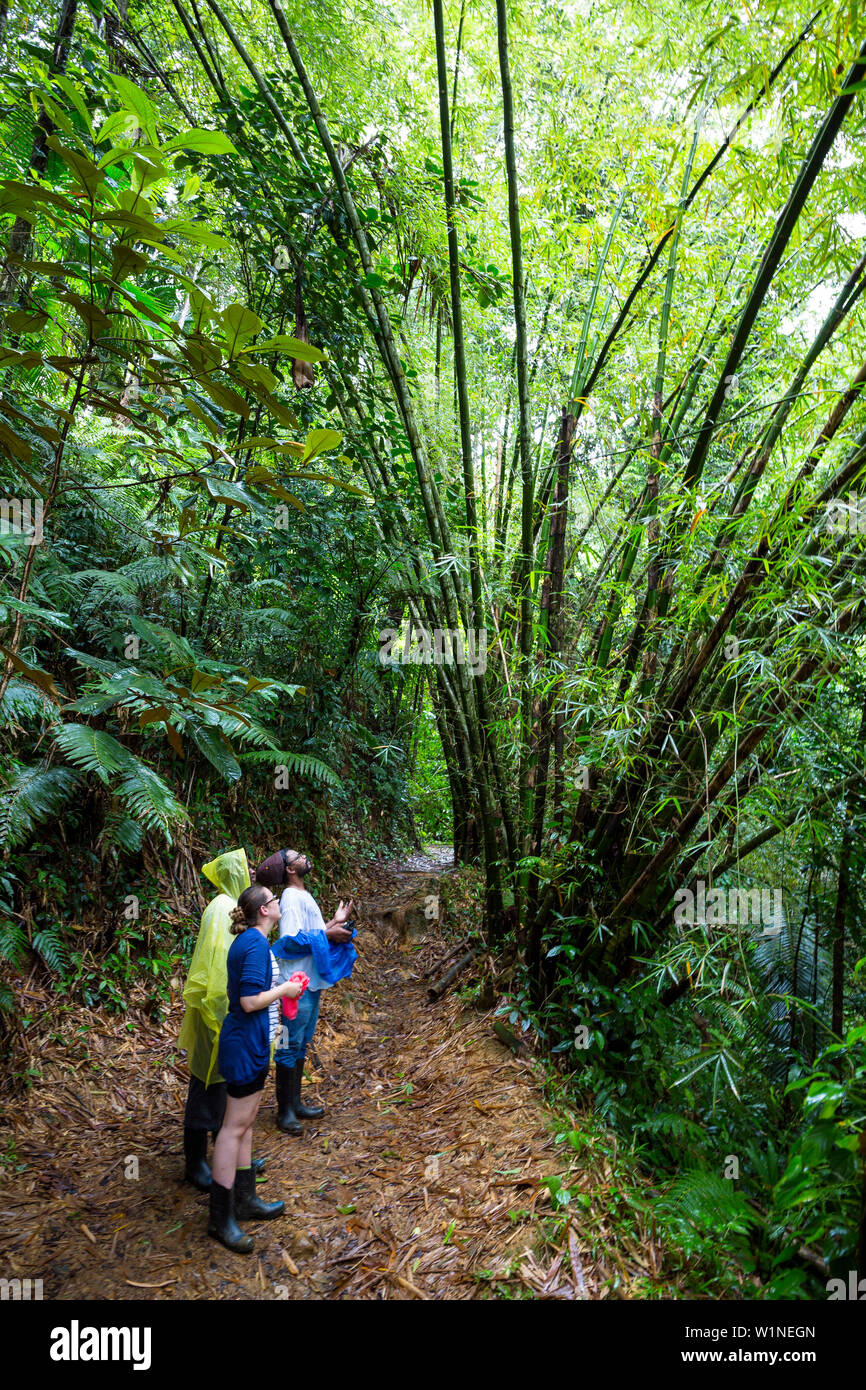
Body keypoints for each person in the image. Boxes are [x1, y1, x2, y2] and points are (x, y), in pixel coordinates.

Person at [208, 884, 303, 1253]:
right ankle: (219, 1218)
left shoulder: (253, 942)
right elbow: (249, 1001)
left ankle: (245, 1200)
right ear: (264, 910)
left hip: (252, 1042)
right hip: (244, 1043)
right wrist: (285, 992)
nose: (279, 902)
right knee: (232, 1129)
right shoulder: (254, 945)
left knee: (243, 1125)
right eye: (274, 900)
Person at [177, 849, 266, 1190]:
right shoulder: (220, 907)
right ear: (234, 872)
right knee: (205, 1087)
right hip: (212, 1015)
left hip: (224, 1014)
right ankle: (195, 1162)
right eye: (247, 867)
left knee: (225, 1088)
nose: (253, 872)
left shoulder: (234, 904)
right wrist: (219, 1018)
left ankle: (227, 1158)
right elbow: (214, 969)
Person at [255, 849, 356, 1135]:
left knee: (299, 1044)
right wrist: (328, 934)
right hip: (296, 986)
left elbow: (308, 934)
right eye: (297, 856)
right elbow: (289, 942)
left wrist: (333, 924)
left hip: (309, 981)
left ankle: (295, 1104)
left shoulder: (302, 896)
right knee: (289, 1044)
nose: (304, 857)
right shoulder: (289, 897)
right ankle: (284, 1112)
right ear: (289, 869)